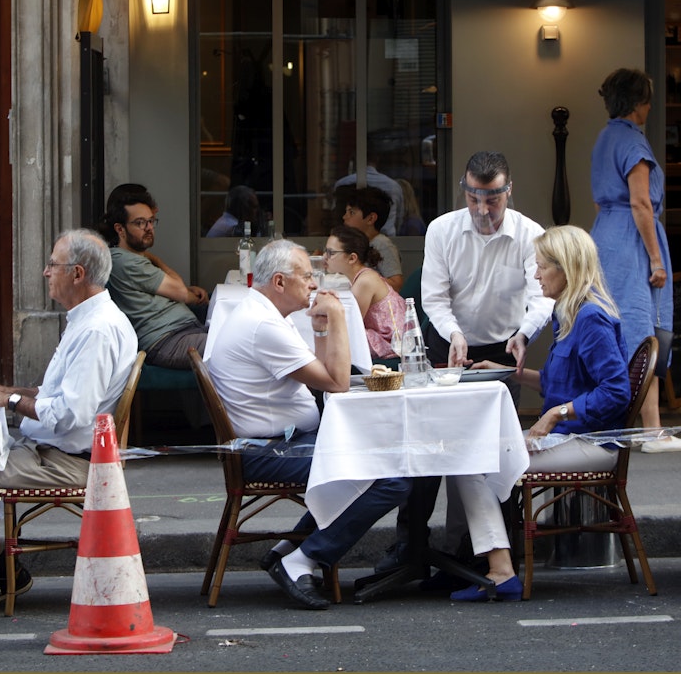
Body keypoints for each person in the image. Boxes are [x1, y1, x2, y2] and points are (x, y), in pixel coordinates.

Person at [0, 229, 139, 609]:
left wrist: (7, 400)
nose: (45, 272)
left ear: (77, 274)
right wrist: (3, 389)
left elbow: (70, 414)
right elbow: (58, 394)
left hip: (69, 461)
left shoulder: (98, 330)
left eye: (53, 264)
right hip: (53, 450)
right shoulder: (87, 320)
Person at [375, 151, 554, 575]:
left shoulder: (530, 234)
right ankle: (411, 545)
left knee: (495, 449)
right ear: (464, 190)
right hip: (448, 342)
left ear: (508, 191)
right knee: (426, 445)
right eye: (474, 197)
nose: (482, 209)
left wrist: (524, 333)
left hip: (505, 346)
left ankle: (491, 552)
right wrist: (455, 334)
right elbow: (435, 297)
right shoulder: (443, 229)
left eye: (492, 199)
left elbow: (541, 298)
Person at [206, 240, 410, 609]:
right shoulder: (263, 325)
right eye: (306, 276)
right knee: (394, 473)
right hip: (268, 451)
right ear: (279, 282)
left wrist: (319, 328)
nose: (314, 284)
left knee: (378, 456)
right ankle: (301, 560)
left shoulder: (263, 314)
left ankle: (291, 547)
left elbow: (322, 373)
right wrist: (339, 316)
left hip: (278, 441)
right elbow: (337, 382)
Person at [446, 226, 631, 602]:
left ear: (566, 268)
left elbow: (616, 392)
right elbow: (558, 383)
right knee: (466, 456)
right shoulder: (571, 313)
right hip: (572, 437)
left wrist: (555, 415)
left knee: (468, 459)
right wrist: (505, 372)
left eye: (543, 266)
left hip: (591, 442)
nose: (536, 275)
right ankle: (482, 560)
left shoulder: (590, 317)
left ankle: (500, 571)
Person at [590, 68, 674, 445]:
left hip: (604, 235)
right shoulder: (633, 142)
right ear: (639, 103)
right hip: (631, 240)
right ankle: (651, 428)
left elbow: (599, 199)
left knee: (611, 327)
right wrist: (656, 259)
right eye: (648, 100)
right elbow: (641, 203)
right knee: (641, 328)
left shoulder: (604, 138)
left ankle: (619, 421)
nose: (650, 107)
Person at [103, 185, 209, 369]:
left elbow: (171, 291)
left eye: (151, 221)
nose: (149, 228)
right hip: (167, 340)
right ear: (120, 229)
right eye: (140, 223)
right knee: (237, 344)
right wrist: (156, 260)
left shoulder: (132, 257)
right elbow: (181, 293)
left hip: (181, 332)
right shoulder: (125, 261)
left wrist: (185, 291)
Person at [324, 226, 406, 361]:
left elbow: (349, 323)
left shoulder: (365, 281)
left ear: (352, 258)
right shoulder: (362, 277)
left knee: (333, 336)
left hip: (390, 343)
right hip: (387, 338)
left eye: (330, 253)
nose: (324, 257)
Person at [339, 186, 405, 292]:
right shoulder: (358, 244)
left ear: (370, 218)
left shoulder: (382, 244)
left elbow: (396, 284)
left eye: (351, 212)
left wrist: (365, 280)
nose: (344, 217)